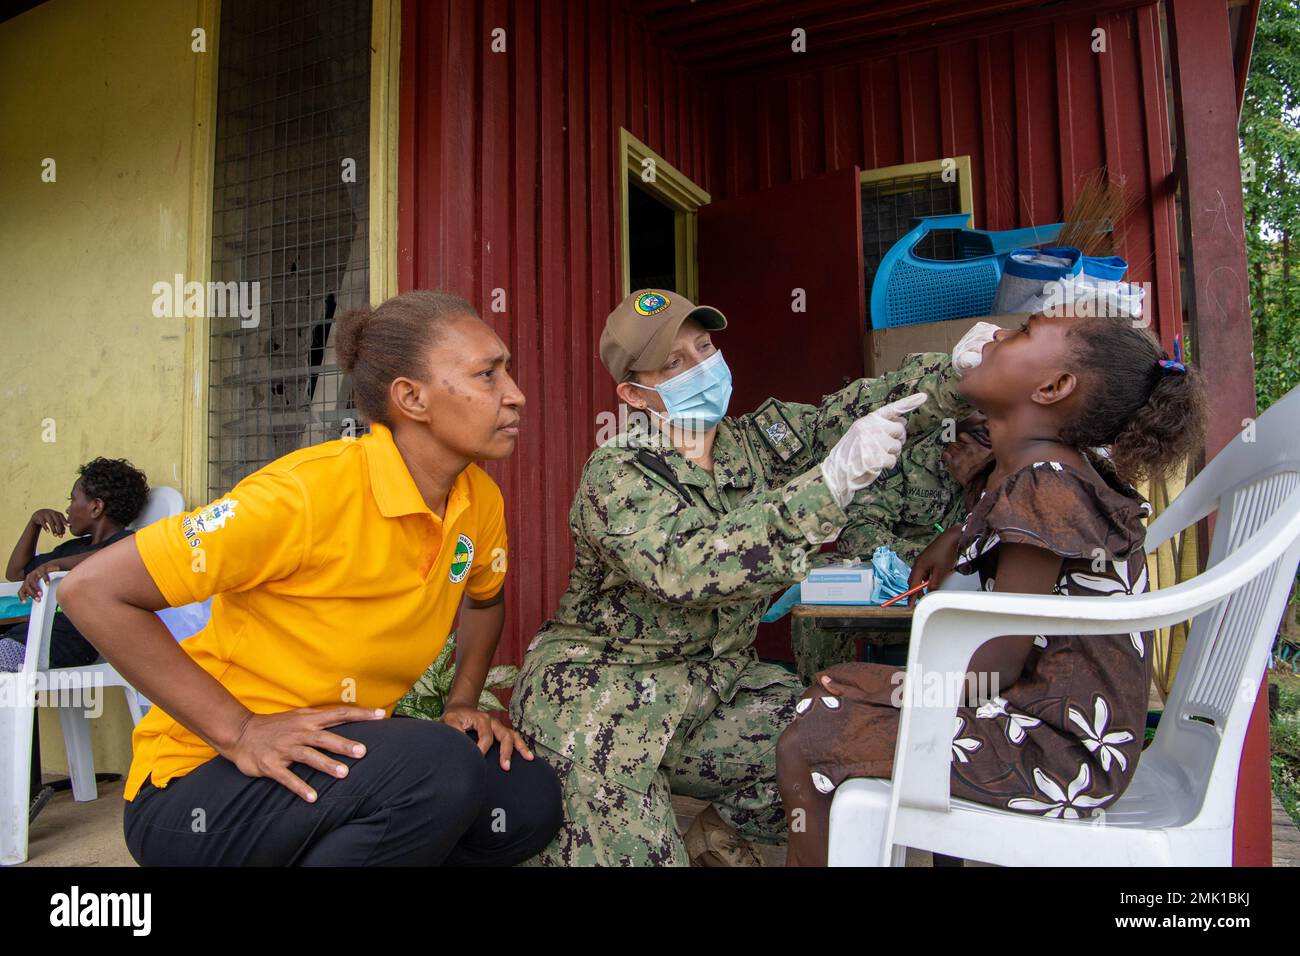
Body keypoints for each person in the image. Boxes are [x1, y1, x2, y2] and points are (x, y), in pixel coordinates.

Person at [60, 290, 563, 866]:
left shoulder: (479, 500)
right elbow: (91, 590)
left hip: (338, 756)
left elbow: (483, 599)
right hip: (199, 787)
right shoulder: (305, 494)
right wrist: (241, 730)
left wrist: (463, 701)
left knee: (524, 798)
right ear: (411, 398)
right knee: (437, 767)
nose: (516, 394)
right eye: (487, 374)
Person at [510, 288, 991, 866]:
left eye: (704, 347)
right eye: (674, 363)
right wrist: (830, 486)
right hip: (602, 702)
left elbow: (851, 411)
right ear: (635, 394)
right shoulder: (617, 473)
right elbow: (691, 568)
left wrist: (953, 371)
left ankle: (716, 838)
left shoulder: (760, 443)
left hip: (716, 687)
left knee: (843, 750)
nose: (701, 367)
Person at [776, 313, 1206, 866]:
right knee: (833, 692)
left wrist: (892, 688)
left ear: (1051, 388)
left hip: (1060, 756)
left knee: (810, 737)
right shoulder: (1049, 473)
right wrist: (959, 534)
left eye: (1021, 333)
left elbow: (993, 669)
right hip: (1049, 729)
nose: (994, 335)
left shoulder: (1043, 485)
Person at [2, 457, 148, 672]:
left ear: (96, 507)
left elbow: (111, 557)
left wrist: (57, 565)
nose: (68, 510)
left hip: (69, 644)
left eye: (72, 500)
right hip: (26, 638)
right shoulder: (72, 549)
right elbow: (15, 573)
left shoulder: (126, 543)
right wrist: (33, 524)